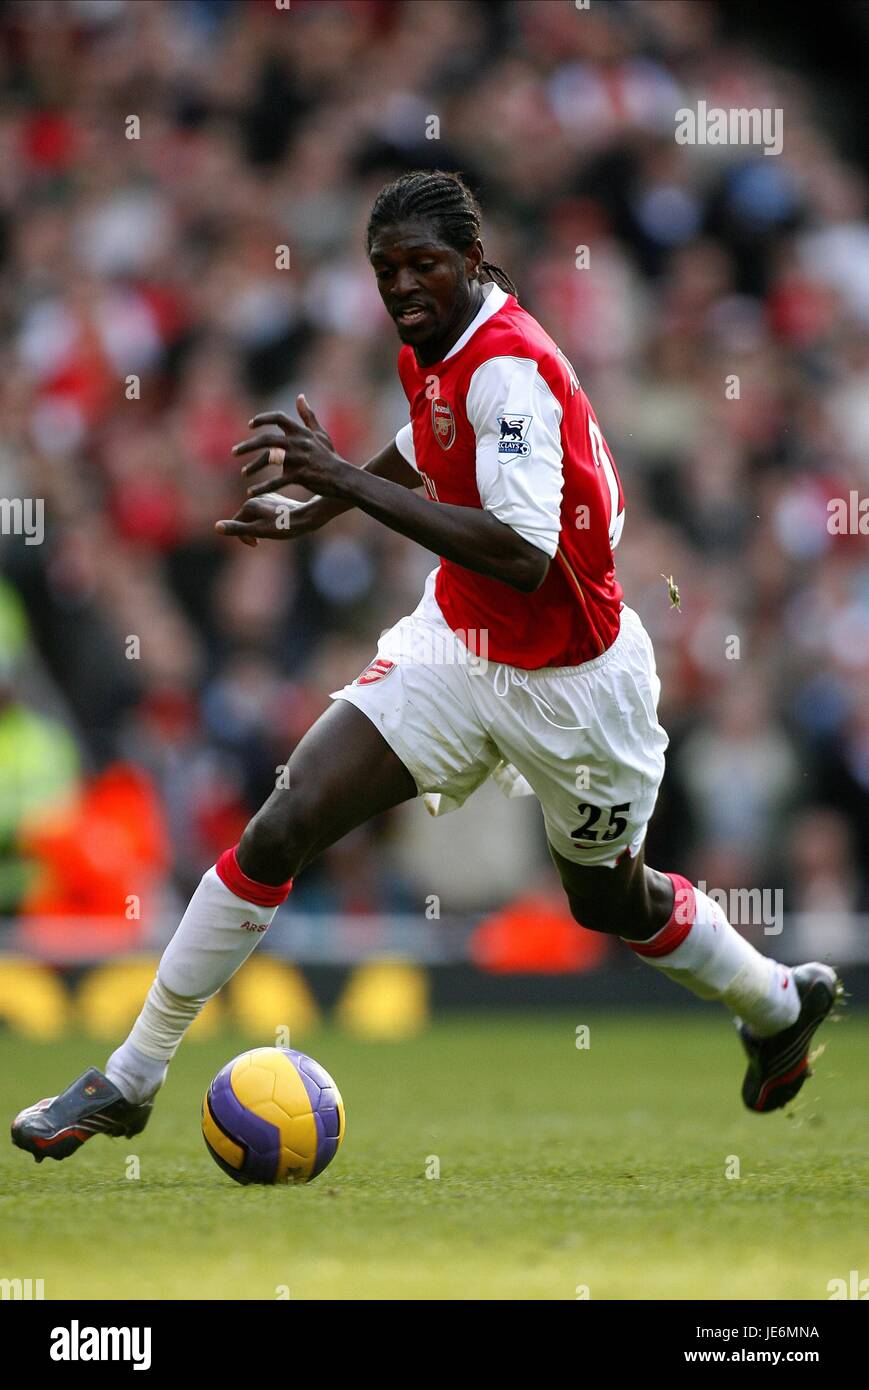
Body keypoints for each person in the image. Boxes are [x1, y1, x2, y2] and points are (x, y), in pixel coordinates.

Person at [12, 172, 840, 1163]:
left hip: (572, 685)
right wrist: (318, 503)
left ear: (474, 264)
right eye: (385, 270)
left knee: (605, 899)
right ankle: (131, 1075)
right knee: (286, 817)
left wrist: (343, 482)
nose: (401, 286)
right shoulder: (437, 347)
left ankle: (774, 1000)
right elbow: (429, 439)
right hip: (453, 644)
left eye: (423, 266)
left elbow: (524, 551)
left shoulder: (509, 367)